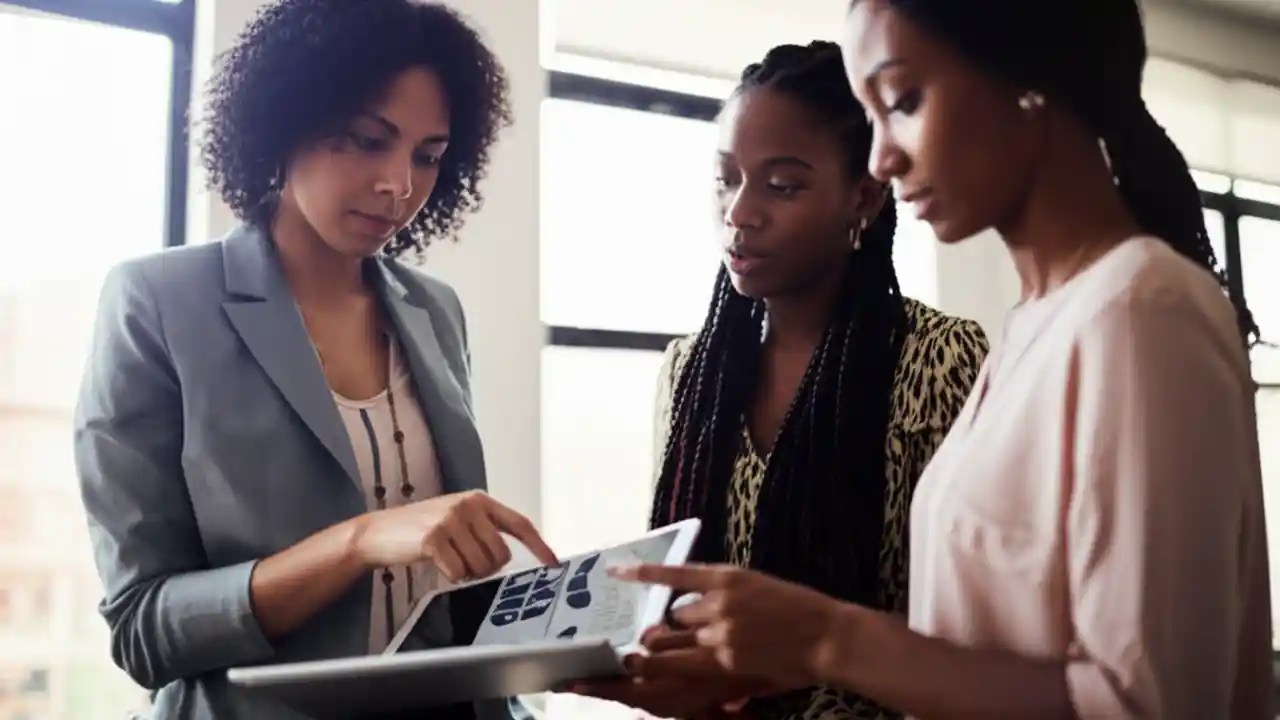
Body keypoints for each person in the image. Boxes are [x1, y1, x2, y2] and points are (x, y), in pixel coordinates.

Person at [611, 1, 1273, 718]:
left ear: (1026, 77)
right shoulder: (1035, 330)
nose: (882, 158)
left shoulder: (1142, 308)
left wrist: (824, 639)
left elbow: (1150, 704)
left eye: (902, 102)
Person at [73, 2, 556, 718]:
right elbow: (146, 630)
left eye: (427, 155)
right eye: (366, 139)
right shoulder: (159, 302)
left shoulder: (436, 312)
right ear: (285, 120)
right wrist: (358, 541)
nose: (399, 185)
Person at [575, 41, 988, 719]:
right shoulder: (689, 372)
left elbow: (971, 631)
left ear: (862, 196)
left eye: (782, 185)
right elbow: (683, 596)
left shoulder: (939, 359)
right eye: (726, 178)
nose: (740, 211)